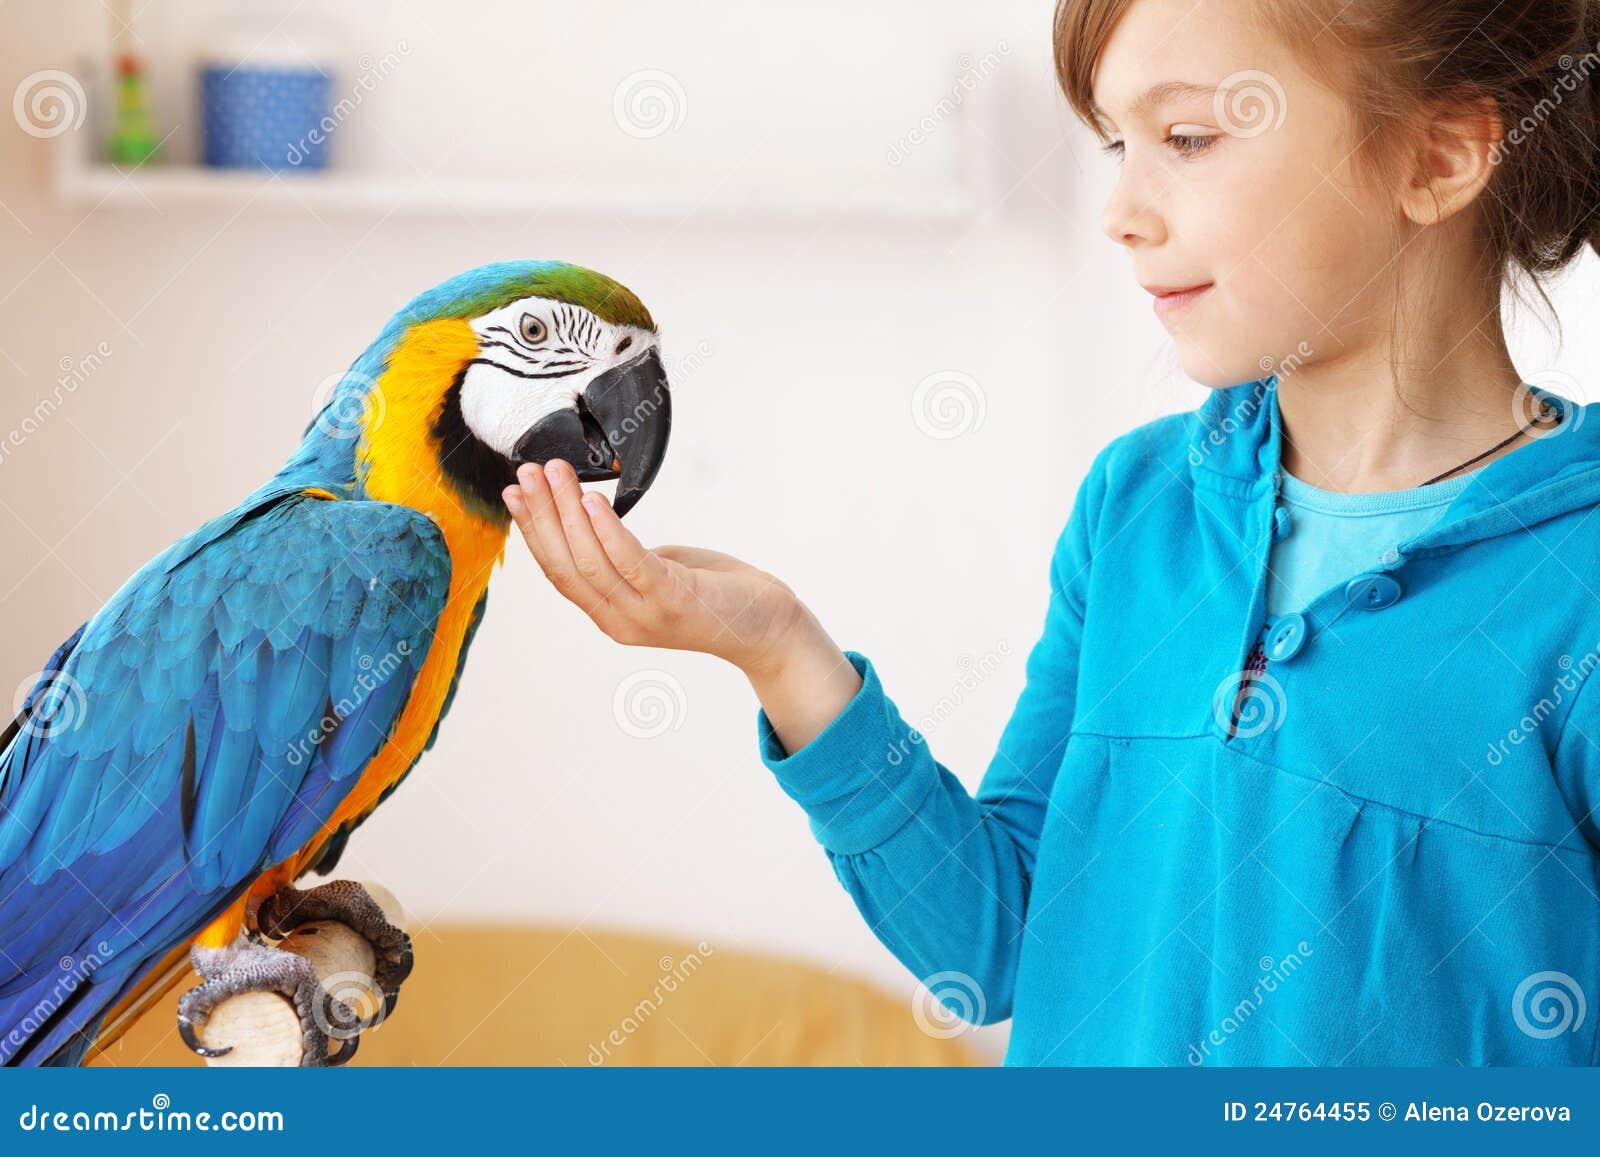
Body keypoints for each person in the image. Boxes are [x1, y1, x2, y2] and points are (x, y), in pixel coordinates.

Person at [501, 0, 1600, 1065]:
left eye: (1186, 138)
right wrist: (779, 646)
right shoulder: (1136, 507)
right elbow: (989, 947)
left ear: (1439, 158)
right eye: (1118, 144)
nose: (1122, 209)